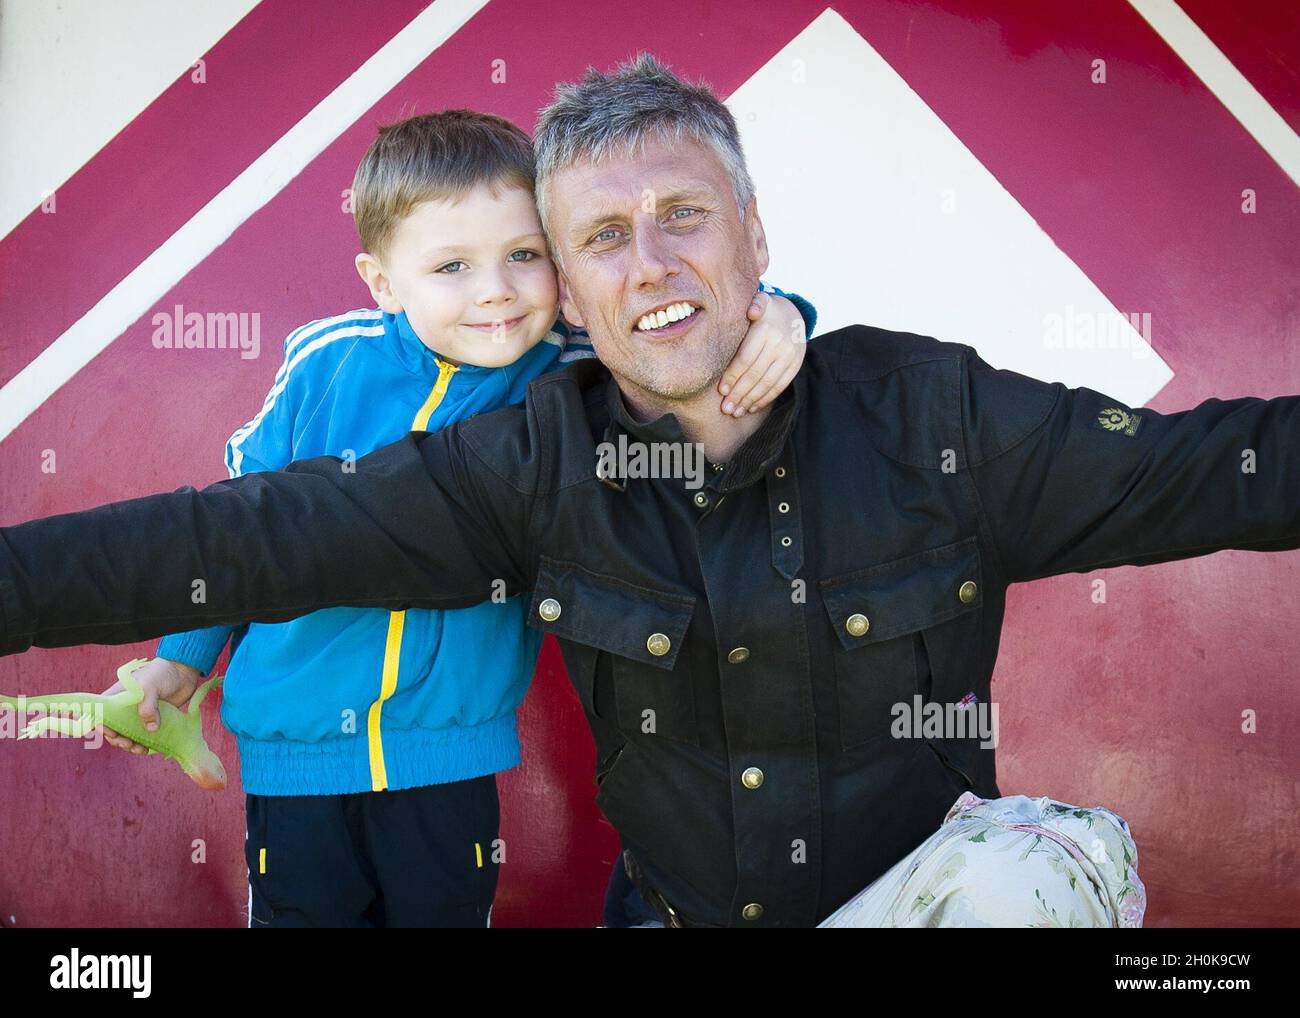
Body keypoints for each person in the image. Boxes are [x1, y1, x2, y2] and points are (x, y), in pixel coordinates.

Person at [3, 53, 1297, 927]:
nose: (653, 261)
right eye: (603, 238)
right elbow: (240, 537)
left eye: (686, 213)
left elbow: (1225, 466)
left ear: (757, 241)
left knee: (1027, 876)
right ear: (568, 290)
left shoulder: (930, 412)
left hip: (927, 896)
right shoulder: (534, 459)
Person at [93, 107, 814, 928]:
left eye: (522, 256)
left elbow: (689, 319)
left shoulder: (570, 371)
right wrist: (181, 661)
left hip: (448, 756)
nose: (496, 291)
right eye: (451, 268)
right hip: (292, 759)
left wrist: (784, 316)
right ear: (383, 282)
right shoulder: (326, 362)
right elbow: (234, 531)